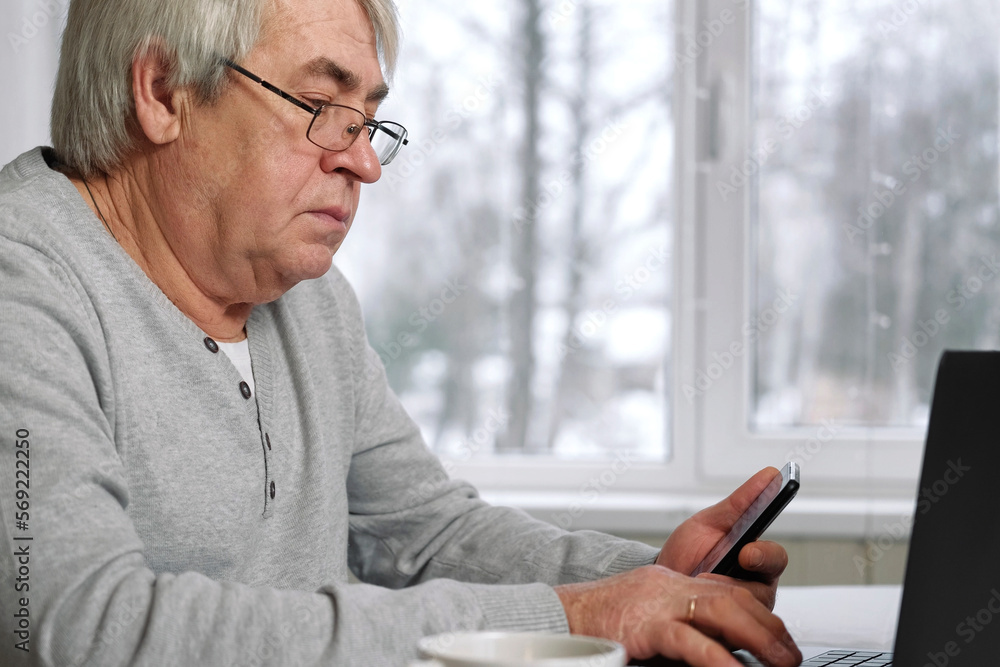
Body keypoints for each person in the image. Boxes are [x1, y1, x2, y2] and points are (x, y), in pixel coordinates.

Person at [0, 0, 802, 665]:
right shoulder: (21, 286)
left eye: (368, 122)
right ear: (164, 90)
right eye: (322, 108)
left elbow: (425, 533)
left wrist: (652, 580)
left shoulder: (309, 301)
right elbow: (81, 626)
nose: (365, 165)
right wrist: (577, 616)